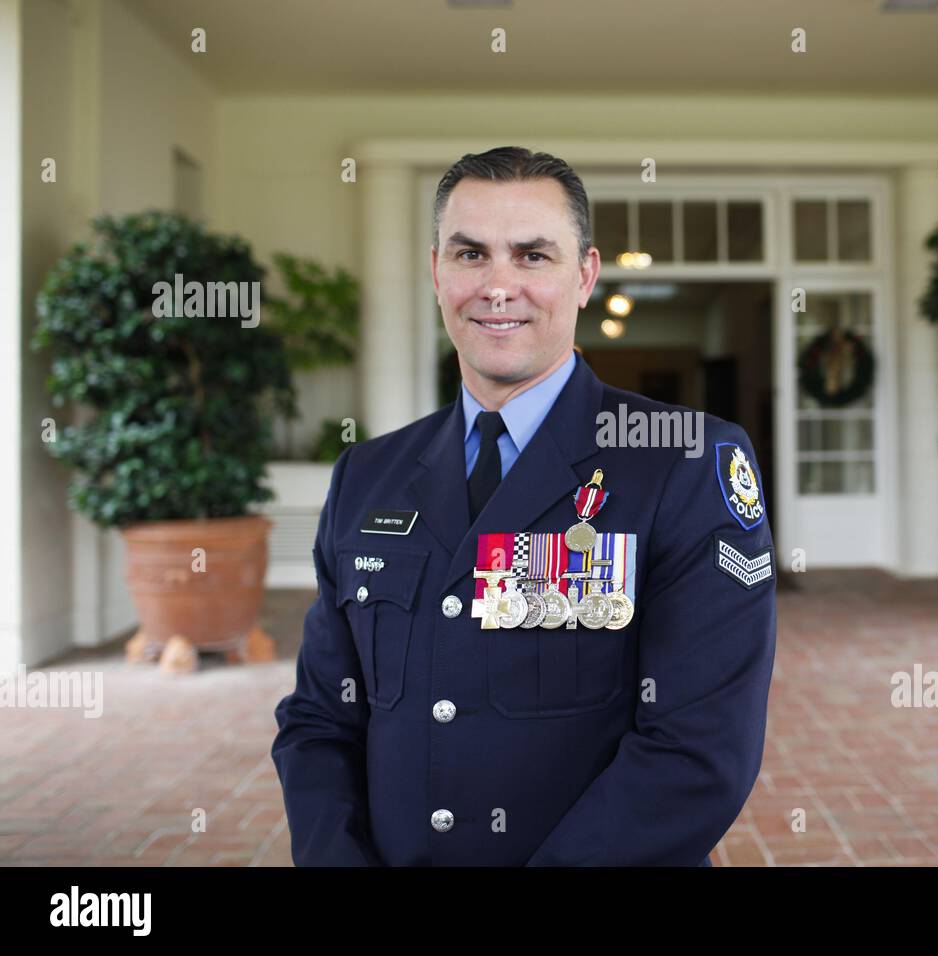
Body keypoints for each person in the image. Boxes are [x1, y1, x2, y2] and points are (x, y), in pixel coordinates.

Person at [271, 146, 777, 866]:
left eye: (533, 255)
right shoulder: (367, 476)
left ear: (585, 276)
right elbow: (321, 721)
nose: (498, 285)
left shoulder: (686, 461)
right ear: (436, 272)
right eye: (470, 253)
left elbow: (699, 751)